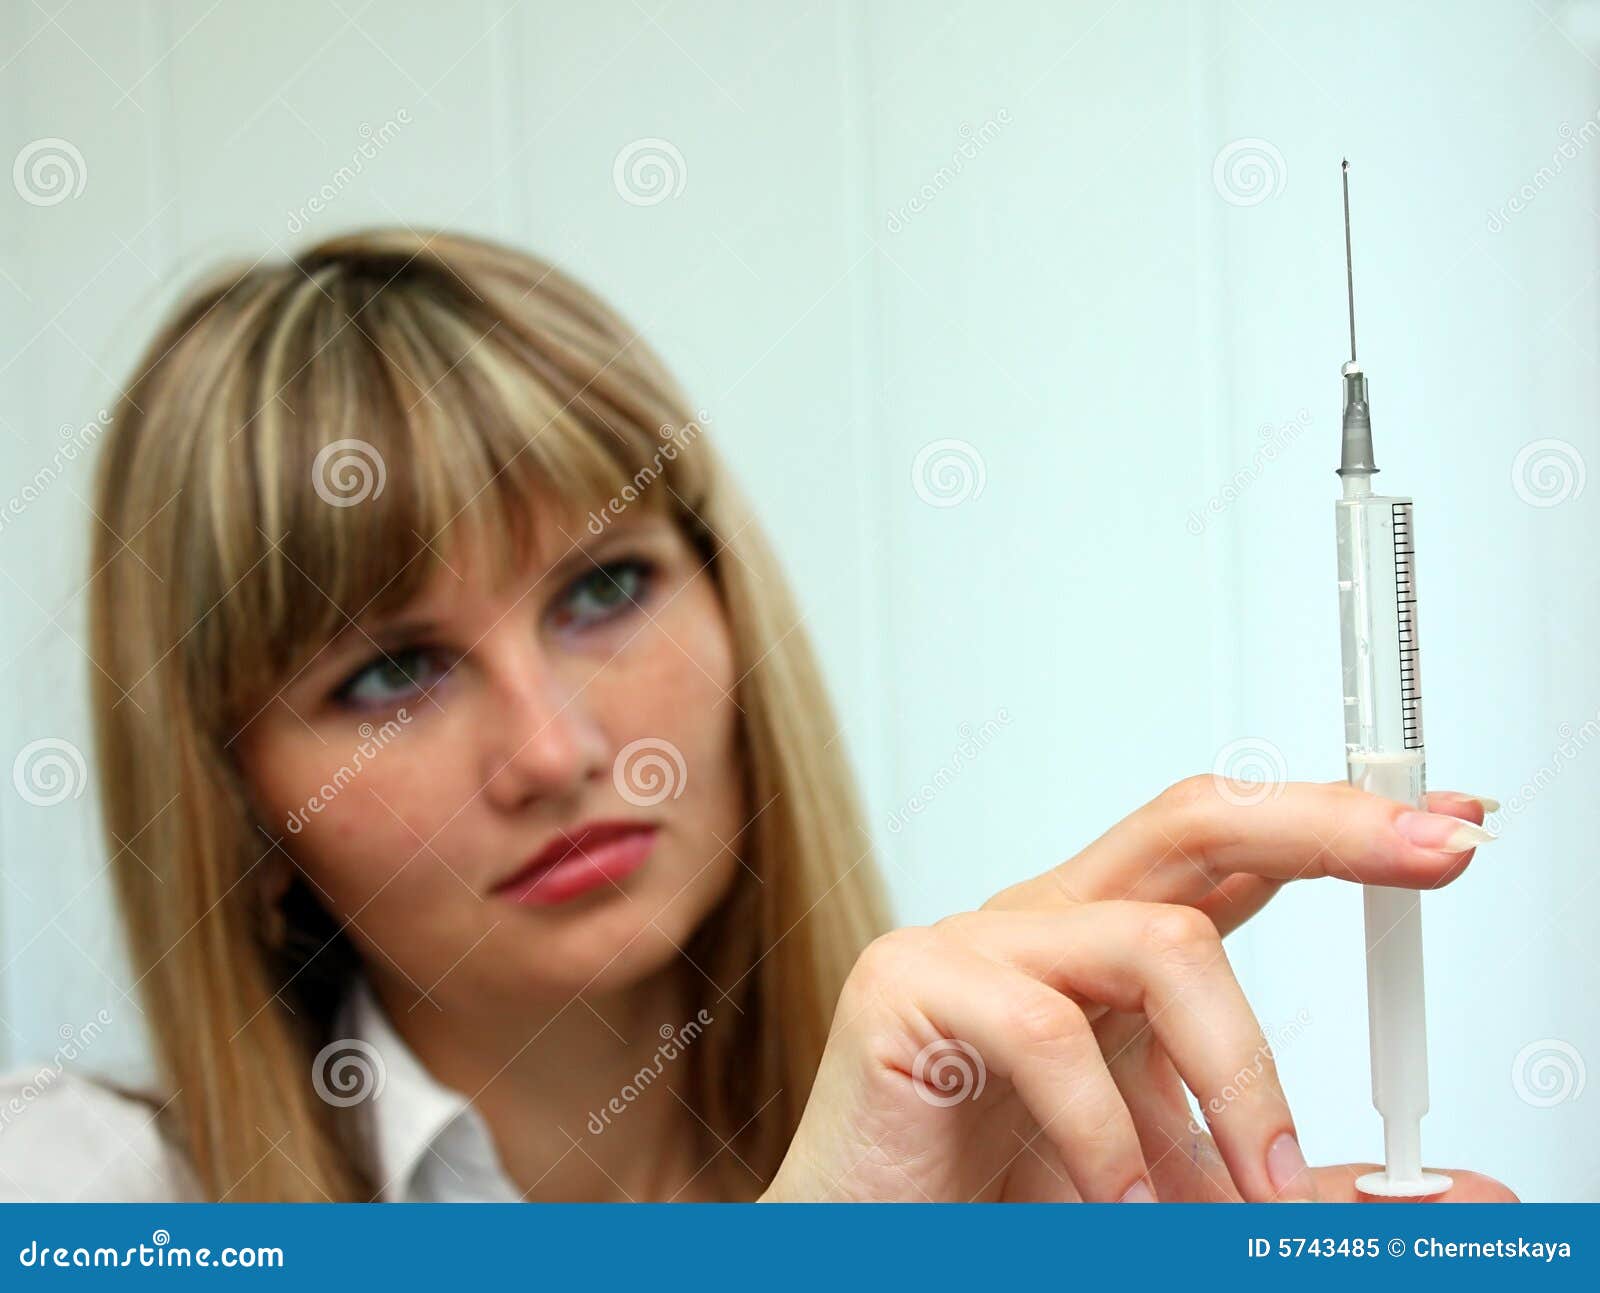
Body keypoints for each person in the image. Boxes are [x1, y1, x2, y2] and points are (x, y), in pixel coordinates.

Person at [0, 230, 1514, 1204]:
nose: (555, 749)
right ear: (238, 802)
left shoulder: (1006, 1168)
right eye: (388, 673)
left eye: (601, 588)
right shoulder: (71, 1197)